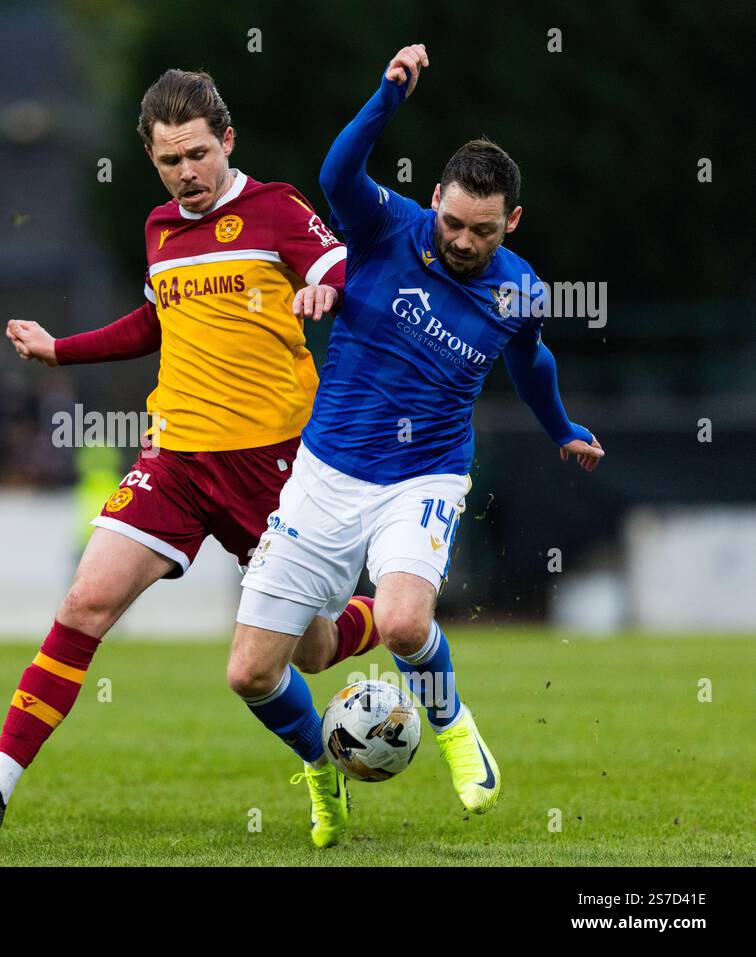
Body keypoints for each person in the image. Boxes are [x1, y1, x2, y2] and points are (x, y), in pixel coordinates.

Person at [0, 68, 379, 845]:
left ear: (227, 141)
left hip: (273, 468)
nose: (187, 173)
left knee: (313, 648)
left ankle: (393, 629)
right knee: (84, 602)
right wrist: (59, 350)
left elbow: (343, 271)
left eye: (198, 154)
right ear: (153, 160)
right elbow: (153, 320)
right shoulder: (160, 229)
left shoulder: (277, 209)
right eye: (170, 162)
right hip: (174, 459)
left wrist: (325, 291)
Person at [233, 44, 605, 846]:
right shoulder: (386, 226)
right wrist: (386, 96)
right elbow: (336, 177)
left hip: (425, 475)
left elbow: (530, 360)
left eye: (481, 229)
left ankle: (454, 727)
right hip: (327, 470)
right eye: (451, 221)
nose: (462, 241)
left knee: (405, 623)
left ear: (510, 223)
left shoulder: (519, 287)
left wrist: (563, 428)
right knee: (269, 667)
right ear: (432, 198)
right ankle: (323, 768)